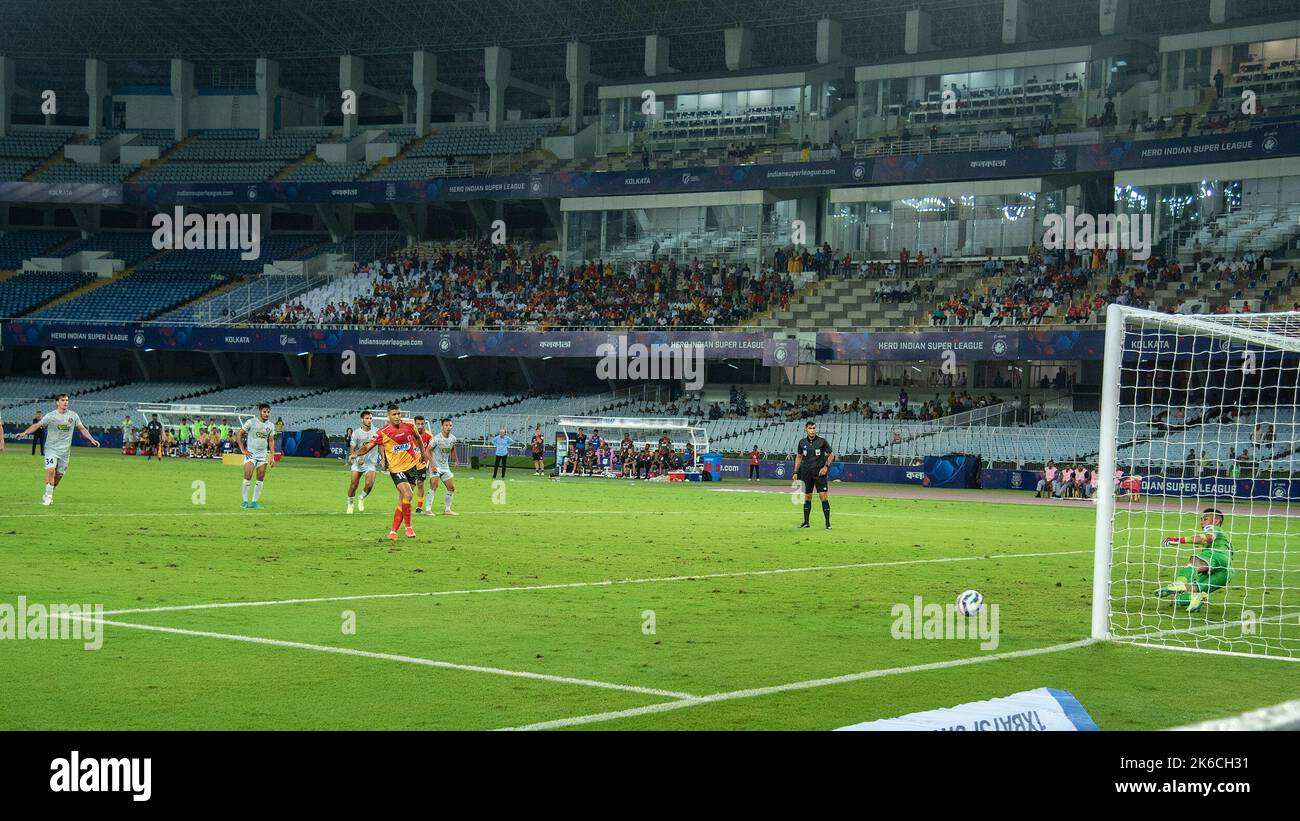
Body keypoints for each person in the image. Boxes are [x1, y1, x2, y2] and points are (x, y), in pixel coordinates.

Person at [352, 404, 424, 540]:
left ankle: (393, 532)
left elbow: (418, 438)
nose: (397, 417)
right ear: (388, 416)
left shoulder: (409, 426)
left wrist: (423, 454)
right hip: (396, 469)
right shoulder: (382, 432)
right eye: (394, 414)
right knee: (408, 494)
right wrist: (356, 453)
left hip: (411, 467)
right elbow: (368, 446)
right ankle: (408, 527)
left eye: (398, 414)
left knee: (403, 501)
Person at [15, 393, 100, 506]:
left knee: (59, 475)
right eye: (63, 400)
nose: (66, 402)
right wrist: (24, 433)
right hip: (51, 449)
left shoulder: (73, 416)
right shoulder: (51, 416)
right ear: (57, 402)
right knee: (51, 470)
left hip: (65, 452)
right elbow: (37, 425)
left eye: (67, 400)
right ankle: (48, 497)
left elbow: (82, 429)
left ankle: (49, 491)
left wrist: (92, 439)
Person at [1156, 508, 1233, 613]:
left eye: (1205, 519)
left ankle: (1179, 583)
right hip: (1225, 574)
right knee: (1178, 597)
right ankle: (1196, 598)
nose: (1202, 522)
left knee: (1194, 561)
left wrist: (1179, 540)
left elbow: (1206, 538)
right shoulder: (1223, 537)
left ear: (1216, 521)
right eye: (1201, 519)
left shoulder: (1214, 528)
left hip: (1219, 556)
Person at [236, 403, 277, 509]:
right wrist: (243, 449)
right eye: (264, 412)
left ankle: (254, 502)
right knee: (248, 476)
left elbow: (271, 441)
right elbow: (239, 434)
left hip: (263, 455)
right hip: (251, 454)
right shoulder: (251, 422)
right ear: (260, 411)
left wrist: (272, 456)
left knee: (260, 478)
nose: (267, 414)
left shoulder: (271, 425)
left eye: (268, 412)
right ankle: (245, 501)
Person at [793, 420, 833, 529]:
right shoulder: (802, 442)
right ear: (806, 429)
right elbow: (799, 457)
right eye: (810, 428)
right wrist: (795, 472)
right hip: (806, 473)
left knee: (823, 497)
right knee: (807, 497)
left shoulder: (822, 441)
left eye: (814, 428)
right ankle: (806, 523)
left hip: (819, 474)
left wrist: (826, 467)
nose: (812, 430)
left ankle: (827, 524)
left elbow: (831, 455)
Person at [347, 411, 380, 514]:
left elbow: (381, 445)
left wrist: (383, 459)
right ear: (362, 420)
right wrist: (357, 459)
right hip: (358, 462)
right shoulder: (356, 433)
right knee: (353, 485)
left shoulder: (376, 431)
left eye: (370, 418)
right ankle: (350, 504)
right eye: (367, 418)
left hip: (370, 462)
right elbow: (352, 450)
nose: (369, 420)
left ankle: (361, 498)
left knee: (369, 484)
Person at [427, 418, 459, 516]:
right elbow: (427, 451)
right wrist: (432, 464)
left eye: (450, 425)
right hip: (435, 466)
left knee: (451, 487)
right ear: (442, 427)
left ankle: (447, 510)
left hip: (445, 467)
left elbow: (452, 448)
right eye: (446, 425)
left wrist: (456, 460)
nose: (448, 427)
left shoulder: (453, 438)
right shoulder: (436, 439)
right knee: (434, 485)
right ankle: (428, 510)